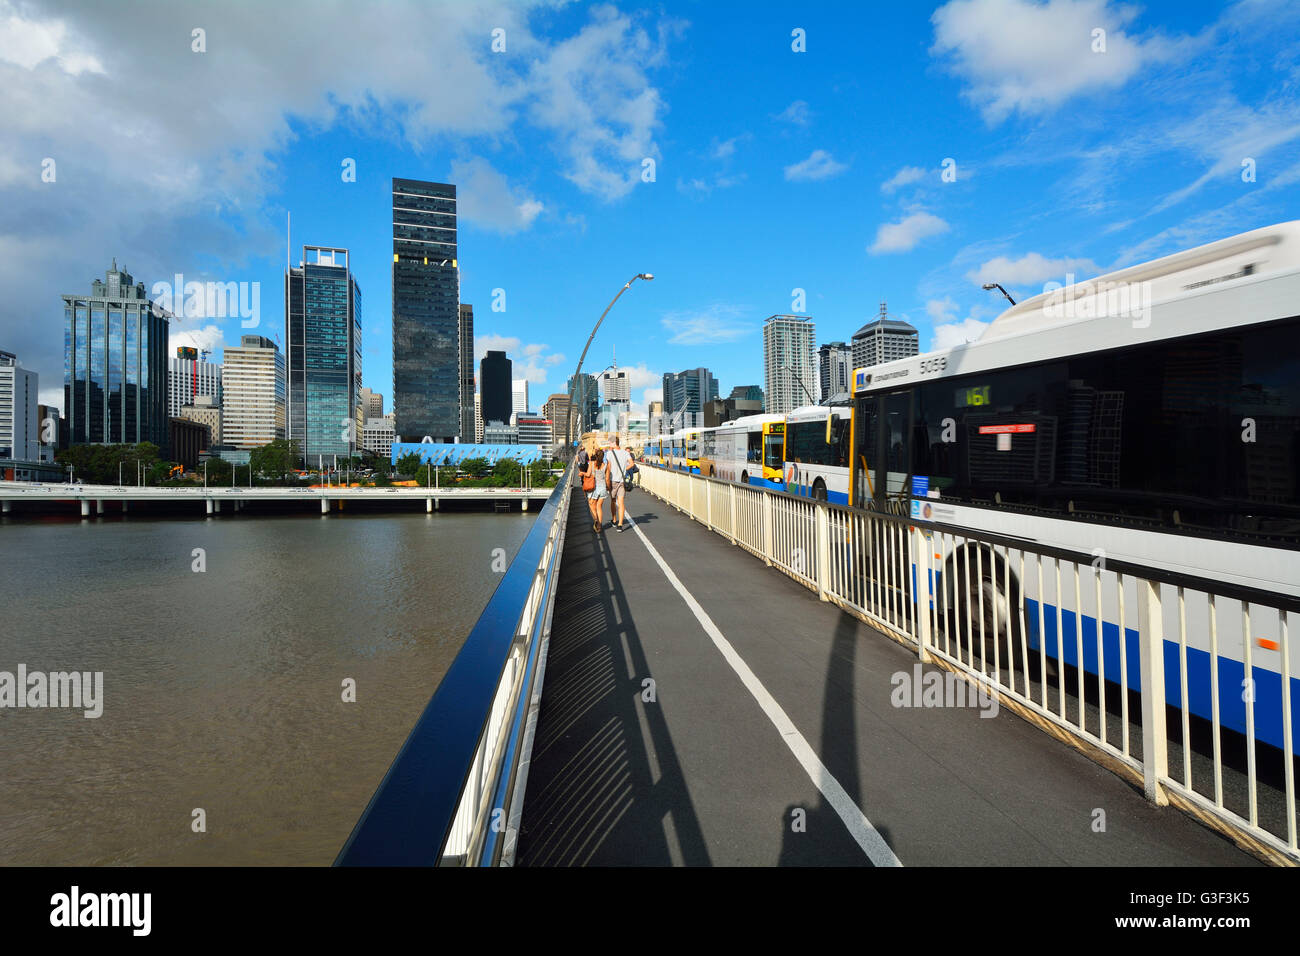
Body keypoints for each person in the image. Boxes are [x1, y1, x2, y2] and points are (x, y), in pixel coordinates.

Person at [607, 436, 631, 532]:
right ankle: (620, 525)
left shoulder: (609, 453)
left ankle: (614, 520)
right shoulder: (625, 453)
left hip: (613, 480)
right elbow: (632, 463)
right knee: (621, 502)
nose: (609, 444)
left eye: (610, 443)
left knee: (613, 500)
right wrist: (625, 470)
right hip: (622, 481)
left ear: (613, 443)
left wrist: (607, 479)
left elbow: (608, 467)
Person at [585, 447, 612, 532]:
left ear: (596, 456)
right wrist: (609, 487)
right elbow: (607, 479)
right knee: (599, 507)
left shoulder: (592, 463)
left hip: (594, 488)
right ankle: (599, 527)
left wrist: (583, 473)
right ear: (603, 456)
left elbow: (588, 474)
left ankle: (596, 519)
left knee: (592, 505)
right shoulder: (606, 465)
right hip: (603, 488)